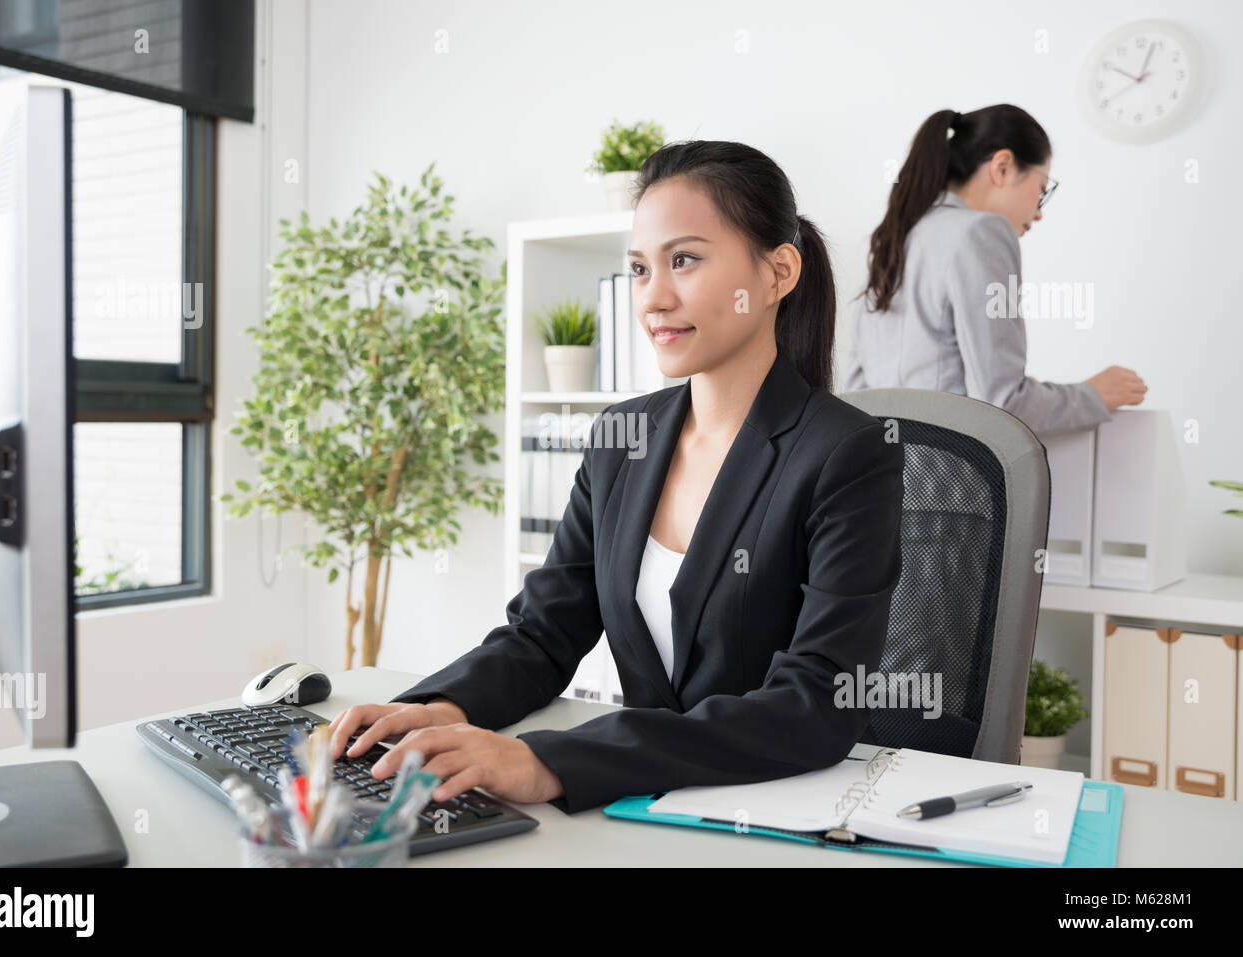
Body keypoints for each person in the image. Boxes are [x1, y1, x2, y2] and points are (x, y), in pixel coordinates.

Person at [328, 141, 906, 814]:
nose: (654, 298)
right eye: (638, 268)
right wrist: (443, 709)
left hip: (782, 810)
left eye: (684, 260)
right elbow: (543, 635)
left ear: (777, 273)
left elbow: (819, 701)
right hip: (643, 811)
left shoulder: (847, 453)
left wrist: (550, 758)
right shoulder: (619, 440)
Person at [844, 105, 1146, 435]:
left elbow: (857, 399)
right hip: (953, 478)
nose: (1039, 212)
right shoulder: (983, 231)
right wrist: (1094, 395)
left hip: (883, 480)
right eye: (1042, 189)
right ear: (1002, 167)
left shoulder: (896, 237)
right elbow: (1003, 405)